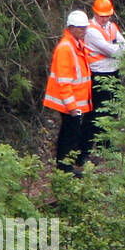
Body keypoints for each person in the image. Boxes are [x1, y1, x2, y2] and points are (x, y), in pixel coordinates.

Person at [44, 10, 93, 172]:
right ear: (71, 28)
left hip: (74, 102)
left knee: (70, 134)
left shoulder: (76, 44)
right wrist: (72, 107)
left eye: (85, 28)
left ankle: (65, 167)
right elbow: (64, 81)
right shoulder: (66, 48)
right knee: (69, 136)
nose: (84, 31)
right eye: (80, 28)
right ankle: (64, 169)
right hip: (70, 103)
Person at [83, 0, 125, 148]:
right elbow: (112, 50)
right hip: (99, 73)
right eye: (102, 16)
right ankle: (96, 144)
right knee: (100, 110)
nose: (105, 18)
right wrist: (115, 48)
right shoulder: (91, 30)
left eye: (107, 15)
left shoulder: (111, 26)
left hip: (113, 71)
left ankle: (107, 143)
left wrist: (114, 49)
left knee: (112, 108)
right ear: (95, 14)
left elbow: (124, 45)